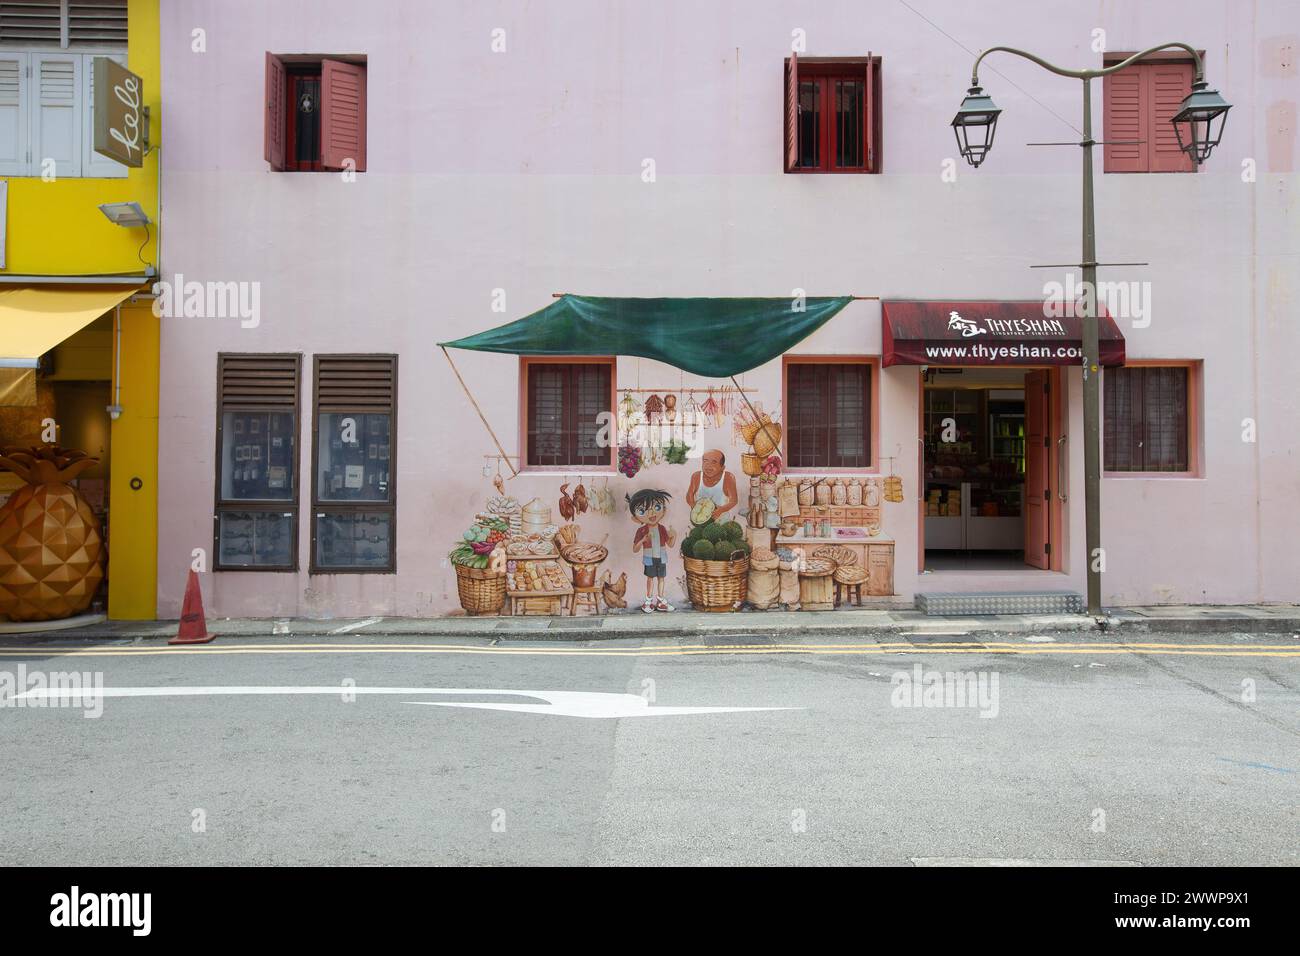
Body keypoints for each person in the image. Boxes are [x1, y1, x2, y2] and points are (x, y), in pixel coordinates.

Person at [628, 489, 676, 613]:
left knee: (661, 578)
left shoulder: (662, 529)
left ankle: (660, 601)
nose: (651, 513)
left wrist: (673, 536)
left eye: (657, 507)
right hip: (649, 558)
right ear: (635, 518)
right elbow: (635, 549)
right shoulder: (642, 531)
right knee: (650, 578)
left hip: (662, 557)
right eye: (643, 511)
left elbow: (670, 545)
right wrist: (643, 540)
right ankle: (648, 601)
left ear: (663, 510)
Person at [686, 449, 738, 519]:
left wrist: (721, 510)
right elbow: (689, 495)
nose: (708, 466)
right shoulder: (696, 476)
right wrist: (694, 506)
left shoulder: (728, 477)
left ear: (722, 467)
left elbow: (733, 501)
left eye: (714, 462)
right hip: (700, 519)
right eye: (705, 461)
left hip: (721, 521)